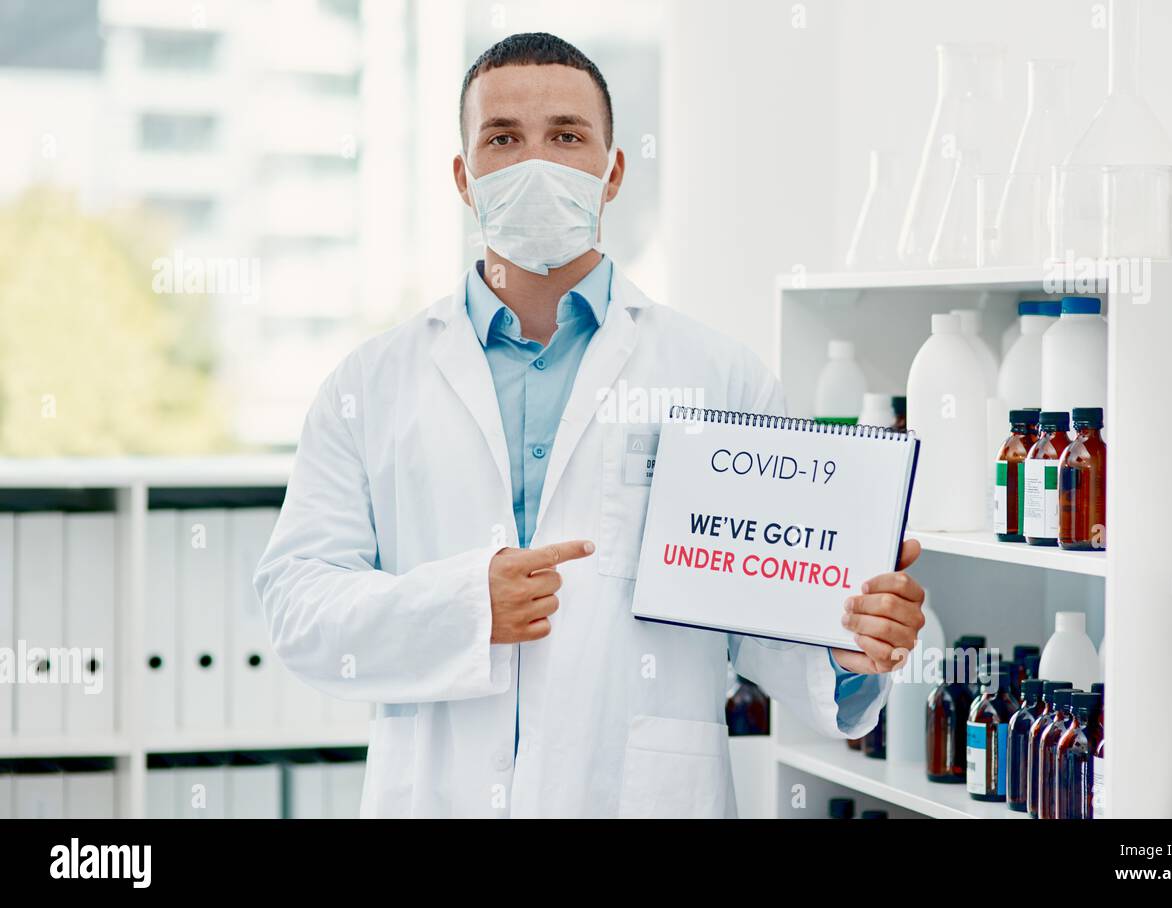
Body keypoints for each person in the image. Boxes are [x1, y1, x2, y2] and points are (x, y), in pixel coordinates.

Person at [255, 32, 926, 818]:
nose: (536, 163)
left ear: (612, 172)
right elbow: (299, 604)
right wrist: (467, 605)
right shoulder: (370, 384)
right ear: (463, 177)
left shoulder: (718, 378)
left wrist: (847, 646)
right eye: (503, 139)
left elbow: (768, 613)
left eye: (567, 136)